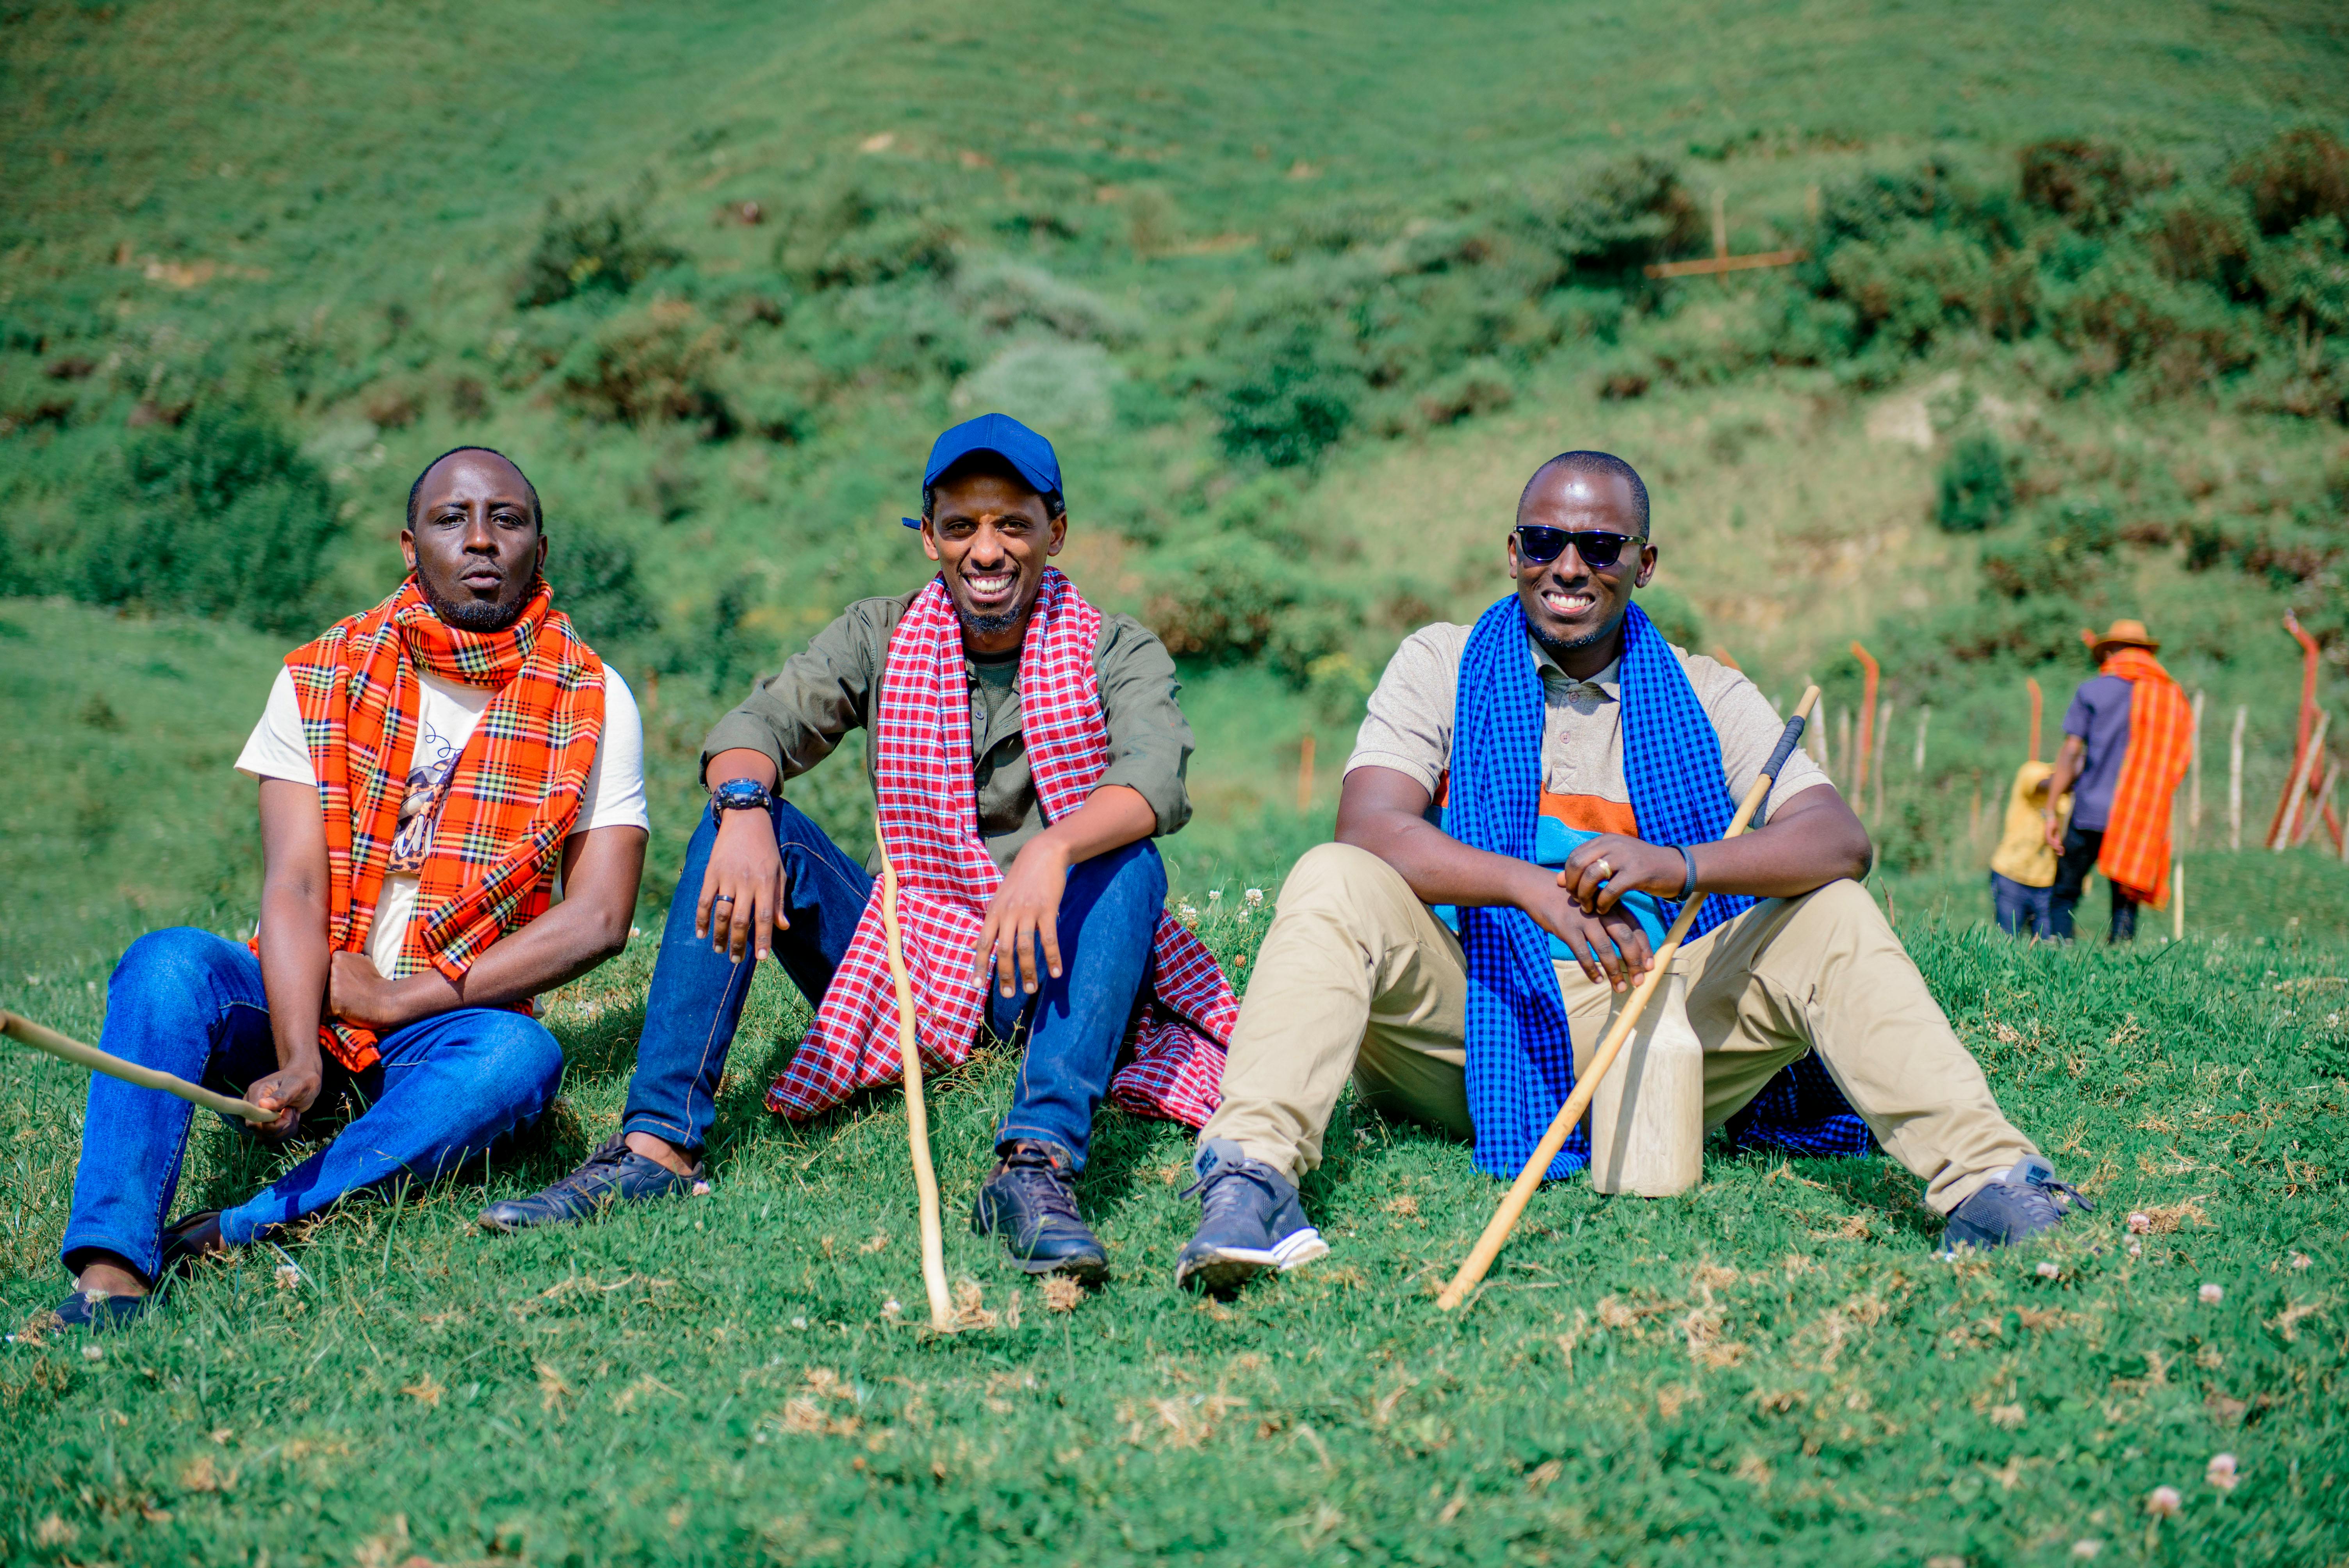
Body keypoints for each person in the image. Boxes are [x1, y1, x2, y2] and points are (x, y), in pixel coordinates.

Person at [1173, 450, 2088, 1294]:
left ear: (1642, 563)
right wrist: (1522, 884)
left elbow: (1836, 837)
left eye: (1599, 546)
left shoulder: (1708, 691)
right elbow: (1371, 825)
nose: (1568, 565)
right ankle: (1250, 1178)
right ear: (1513, 552)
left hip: (1658, 1027)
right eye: (1544, 541)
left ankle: (1991, 1185)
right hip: (1466, 1017)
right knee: (1335, 872)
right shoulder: (1442, 662)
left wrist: (1677, 863)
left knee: (1835, 911)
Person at [486, 414, 1234, 1283]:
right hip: (913, 948)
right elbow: (757, 726)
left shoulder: (1115, 647)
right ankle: (658, 1146)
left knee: (1126, 861)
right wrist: (742, 803)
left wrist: (1050, 851)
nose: (985, 551)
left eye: (1012, 525)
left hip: (1054, 969)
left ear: (1054, 533)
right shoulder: (880, 634)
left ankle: (1035, 1165)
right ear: (928, 538)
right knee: (740, 826)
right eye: (960, 526)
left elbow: (1156, 780)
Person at [55, 447, 649, 1328]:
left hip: (446, 1014)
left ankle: (251, 1223)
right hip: (303, 989)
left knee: (519, 1058)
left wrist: (402, 997)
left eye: (507, 520)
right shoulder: (322, 672)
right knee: (168, 964)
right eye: (453, 519)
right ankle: (112, 1270)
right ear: (411, 547)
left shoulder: (595, 697)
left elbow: (599, 918)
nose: (481, 540)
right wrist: (298, 1054)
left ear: (540, 547)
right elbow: (293, 885)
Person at [2042, 619, 2191, 944]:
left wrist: (2051, 810)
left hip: (2090, 812)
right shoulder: (2170, 696)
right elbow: (2178, 759)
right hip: (2138, 815)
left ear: (2111, 650)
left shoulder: (2093, 690)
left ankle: (2055, 954)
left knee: (2065, 892)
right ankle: (2120, 964)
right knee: (2125, 899)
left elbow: (2071, 752)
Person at [1988, 759, 2069, 938]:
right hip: (2011, 876)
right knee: (2007, 943)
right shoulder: (2033, 771)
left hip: (2046, 883)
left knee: (2046, 950)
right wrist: (2071, 775)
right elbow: (2045, 786)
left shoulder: (2071, 795)